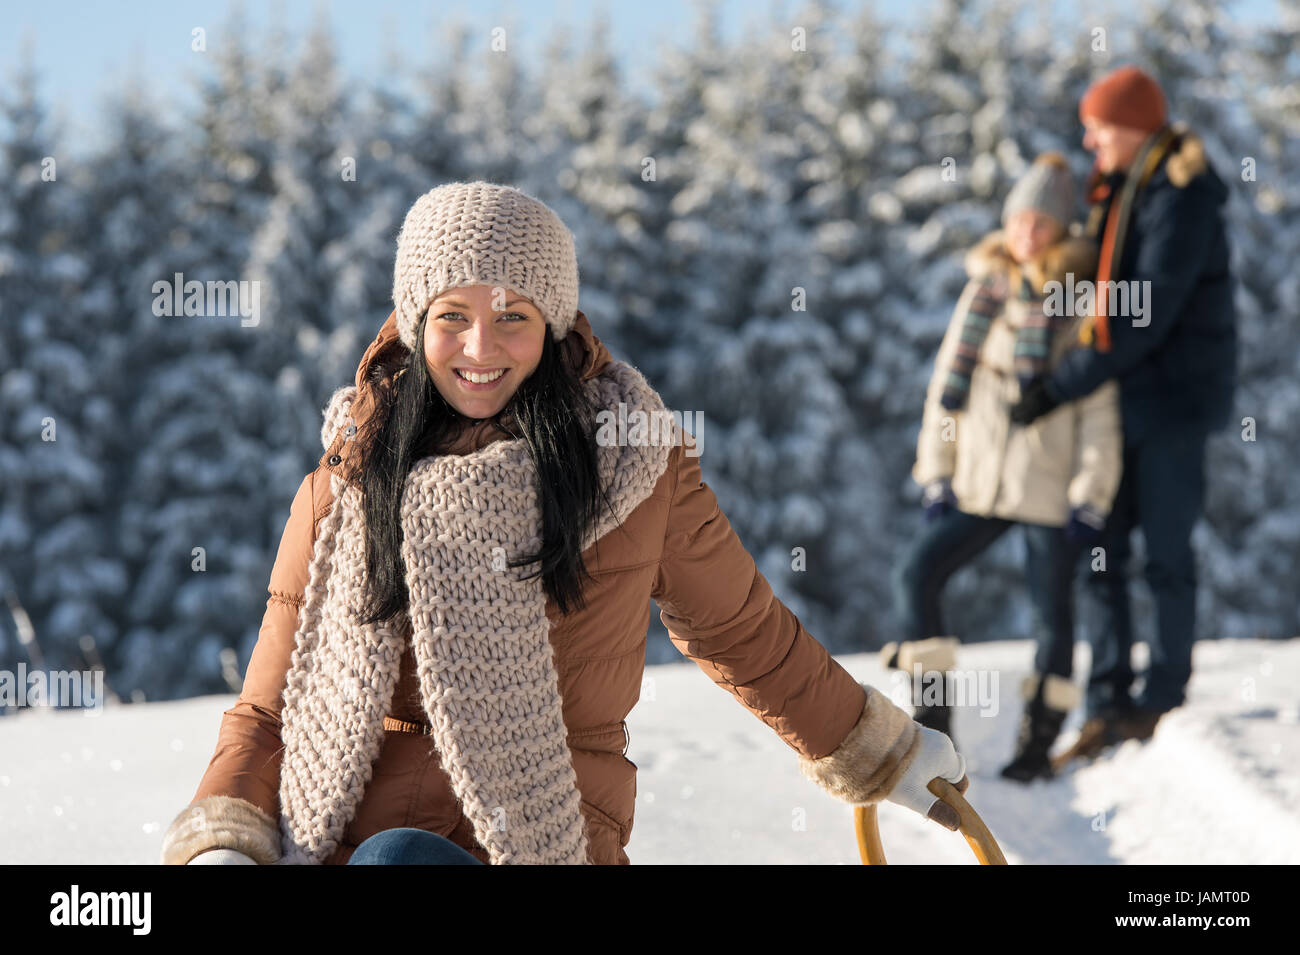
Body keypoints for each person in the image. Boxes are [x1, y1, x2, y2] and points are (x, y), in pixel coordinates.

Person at [162, 181, 968, 866]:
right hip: (345, 836)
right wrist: (223, 839)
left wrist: (879, 751)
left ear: (551, 323)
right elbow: (269, 711)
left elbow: (742, 629)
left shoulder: (632, 465)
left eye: (512, 315)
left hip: (546, 835)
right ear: (415, 323)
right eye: (453, 315)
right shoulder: (347, 482)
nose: (482, 346)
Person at [1009, 67, 1237, 764]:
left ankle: (1162, 697)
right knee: (1100, 554)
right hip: (1119, 405)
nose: (1089, 138)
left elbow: (1144, 311)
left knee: (1165, 553)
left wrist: (1060, 384)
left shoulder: (1183, 196)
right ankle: (1107, 701)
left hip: (1172, 404)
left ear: (1134, 126)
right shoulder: (1117, 193)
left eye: (1099, 126)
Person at [887, 153, 1122, 783]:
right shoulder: (984, 289)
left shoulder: (1080, 302)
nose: (1027, 234)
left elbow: (1100, 412)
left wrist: (1090, 496)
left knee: (1053, 616)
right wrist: (935, 471)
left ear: (1062, 231)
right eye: (1020, 220)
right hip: (978, 486)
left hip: (1050, 491)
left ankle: (1035, 746)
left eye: (1042, 224)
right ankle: (935, 734)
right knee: (917, 574)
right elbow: (946, 387)